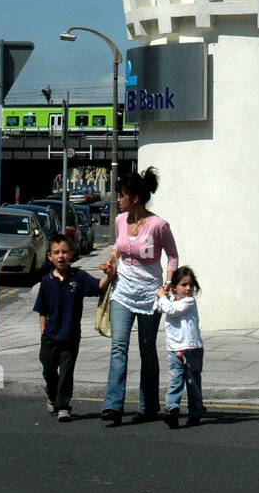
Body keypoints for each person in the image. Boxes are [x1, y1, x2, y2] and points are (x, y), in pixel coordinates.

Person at [99, 167, 178, 426]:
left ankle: (149, 406)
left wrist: (167, 285)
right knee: (118, 347)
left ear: (134, 198)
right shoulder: (120, 220)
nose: (117, 200)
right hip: (122, 292)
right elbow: (117, 248)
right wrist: (111, 262)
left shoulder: (158, 225)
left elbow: (173, 256)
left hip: (149, 296)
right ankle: (112, 406)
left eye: (121, 195)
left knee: (147, 351)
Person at [33, 234, 115, 421]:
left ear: (71, 254)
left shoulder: (78, 277)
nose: (61, 256)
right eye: (56, 252)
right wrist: (43, 332)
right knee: (49, 369)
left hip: (70, 336)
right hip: (50, 336)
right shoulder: (46, 282)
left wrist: (110, 274)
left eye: (64, 252)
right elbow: (42, 311)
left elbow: (98, 287)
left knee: (67, 372)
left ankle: (63, 406)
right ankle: (52, 394)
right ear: (50, 257)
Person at [156, 266, 205, 429]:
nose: (188, 288)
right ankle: (172, 410)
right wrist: (164, 295)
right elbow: (160, 307)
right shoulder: (170, 301)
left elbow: (172, 310)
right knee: (175, 382)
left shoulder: (189, 301)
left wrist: (162, 296)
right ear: (175, 286)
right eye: (184, 285)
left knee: (192, 383)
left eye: (190, 285)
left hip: (192, 349)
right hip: (174, 350)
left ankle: (196, 412)